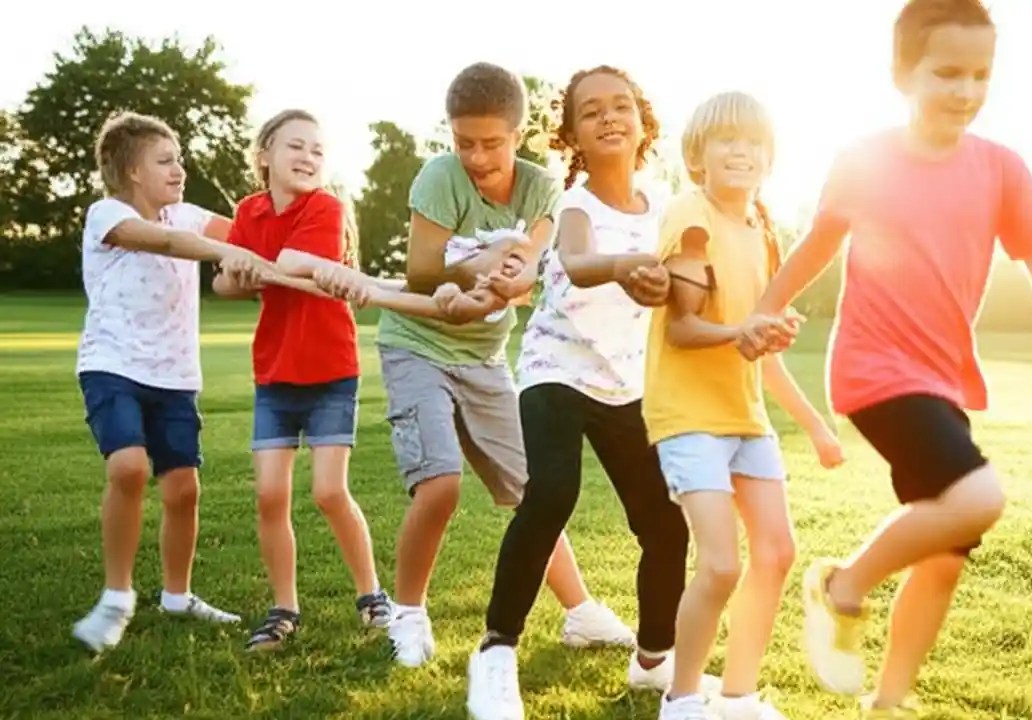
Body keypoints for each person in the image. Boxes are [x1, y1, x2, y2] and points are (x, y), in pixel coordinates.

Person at [747, 1, 1032, 714]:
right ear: (903, 73)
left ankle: (890, 701)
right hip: (874, 370)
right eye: (947, 73)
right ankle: (841, 586)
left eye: (980, 75)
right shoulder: (866, 159)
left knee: (945, 553)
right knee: (980, 499)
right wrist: (765, 306)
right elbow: (819, 243)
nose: (965, 91)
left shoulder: (1002, 167)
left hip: (943, 380)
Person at [466, 65, 709, 720]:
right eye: (592, 111)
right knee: (552, 491)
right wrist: (625, 268)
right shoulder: (576, 202)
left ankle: (655, 661)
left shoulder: (666, 207)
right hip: (557, 370)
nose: (609, 117)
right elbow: (575, 262)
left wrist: (673, 285)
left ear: (643, 121)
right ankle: (495, 652)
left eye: (621, 105)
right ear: (571, 132)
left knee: (664, 524)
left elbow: (688, 284)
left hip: (626, 382)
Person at [372, 61, 634, 668]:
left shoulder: (544, 189)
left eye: (492, 143)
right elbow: (420, 269)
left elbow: (531, 266)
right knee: (439, 484)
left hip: (485, 356)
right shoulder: (440, 177)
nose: (477, 156)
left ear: (518, 135)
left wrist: (502, 276)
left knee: (532, 491)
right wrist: (480, 263)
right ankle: (407, 614)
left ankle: (580, 612)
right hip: (417, 345)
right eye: (465, 142)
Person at [649, 91, 846, 720]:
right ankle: (680, 700)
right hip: (689, 418)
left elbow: (761, 348)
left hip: (746, 419)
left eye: (755, 142)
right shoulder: (690, 213)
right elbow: (681, 328)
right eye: (727, 140)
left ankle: (736, 697)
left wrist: (815, 427)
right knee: (719, 563)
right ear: (697, 155)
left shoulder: (763, 232)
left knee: (777, 553)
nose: (742, 151)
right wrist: (741, 333)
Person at [72, 111, 272, 652]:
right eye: (165, 161)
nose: (179, 169)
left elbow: (249, 236)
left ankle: (178, 597)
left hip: (175, 374)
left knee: (183, 488)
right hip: (112, 364)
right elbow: (161, 242)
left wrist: (283, 237)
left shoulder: (185, 213)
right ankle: (116, 598)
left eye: (179, 158)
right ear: (133, 171)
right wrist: (227, 253)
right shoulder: (106, 214)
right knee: (130, 467)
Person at [212, 109, 394, 650]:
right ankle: (283, 609)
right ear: (264, 155)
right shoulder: (249, 210)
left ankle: (371, 596)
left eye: (317, 149)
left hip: (330, 371)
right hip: (274, 371)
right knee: (270, 495)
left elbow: (297, 264)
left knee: (329, 491)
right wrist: (236, 275)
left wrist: (255, 267)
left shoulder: (326, 206)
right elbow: (224, 283)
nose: (309, 157)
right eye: (296, 146)